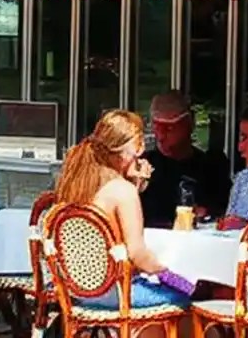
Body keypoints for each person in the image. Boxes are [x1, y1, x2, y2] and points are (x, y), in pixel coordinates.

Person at [56, 110, 190, 310]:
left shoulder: (77, 184)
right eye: (140, 146)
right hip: (117, 292)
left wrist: (135, 185)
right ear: (126, 152)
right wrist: (175, 277)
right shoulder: (122, 191)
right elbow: (137, 254)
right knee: (190, 299)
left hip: (77, 291)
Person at [138, 91, 231, 227]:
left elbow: (226, 212)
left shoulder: (211, 167)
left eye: (169, 129)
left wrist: (208, 213)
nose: (161, 136)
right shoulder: (142, 167)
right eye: (156, 128)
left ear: (189, 124)